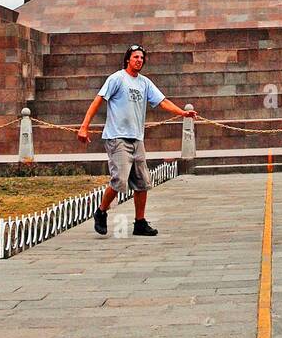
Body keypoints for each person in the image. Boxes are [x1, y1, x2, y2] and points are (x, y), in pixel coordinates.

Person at [77, 43, 197, 237]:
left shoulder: (144, 83)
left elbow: (162, 101)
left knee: (142, 182)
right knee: (119, 180)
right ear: (127, 59)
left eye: (141, 58)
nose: (139, 60)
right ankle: (101, 211)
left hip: (136, 138)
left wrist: (182, 112)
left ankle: (139, 222)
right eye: (135, 57)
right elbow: (98, 100)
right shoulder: (117, 79)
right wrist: (84, 127)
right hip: (117, 138)